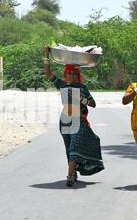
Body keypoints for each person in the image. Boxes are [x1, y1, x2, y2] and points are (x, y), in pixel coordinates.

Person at [44, 46, 104, 187]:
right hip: (65, 120)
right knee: (69, 147)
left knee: (75, 146)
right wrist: (46, 54)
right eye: (70, 74)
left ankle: (70, 175)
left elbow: (93, 104)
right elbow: (47, 73)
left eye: (75, 74)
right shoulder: (62, 85)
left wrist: (83, 100)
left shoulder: (82, 88)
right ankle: (74, 172)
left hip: (79, 120)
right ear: (66, 75)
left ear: (78, 76)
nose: (72, 76)